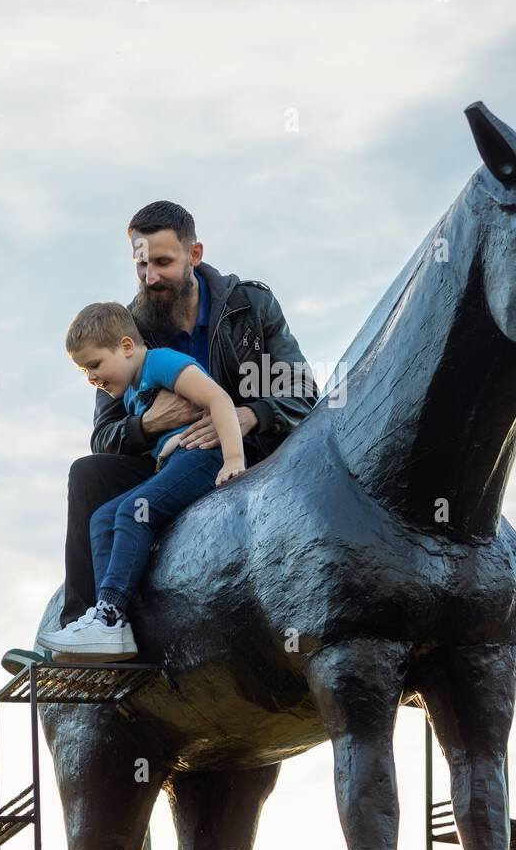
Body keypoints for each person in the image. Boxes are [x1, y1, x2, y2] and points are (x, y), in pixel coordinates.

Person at [57, 201, 319, 641]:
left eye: (162, 262)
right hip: (165, 453)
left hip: (245, 447)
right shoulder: (126, 330)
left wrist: (249, 415)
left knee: (135, 508)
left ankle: (110, 615)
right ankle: (87, 627)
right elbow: (104, 436)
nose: (150, 277)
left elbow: (303, 392)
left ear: (194, 255)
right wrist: (149, 424)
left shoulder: (248, 305)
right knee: (88, 474)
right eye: (141, 265)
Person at [37, 301, 248, 659]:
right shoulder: (133, 393)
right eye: (84, 372)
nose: (92, 378)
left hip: (202, 457)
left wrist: (233, 459)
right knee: (103, 517)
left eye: (95, 365)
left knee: (135, 510)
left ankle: (109, 614)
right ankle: (109, 620)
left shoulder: (160, 362)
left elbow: (218, 398)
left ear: (125, 346)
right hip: (174, 462)